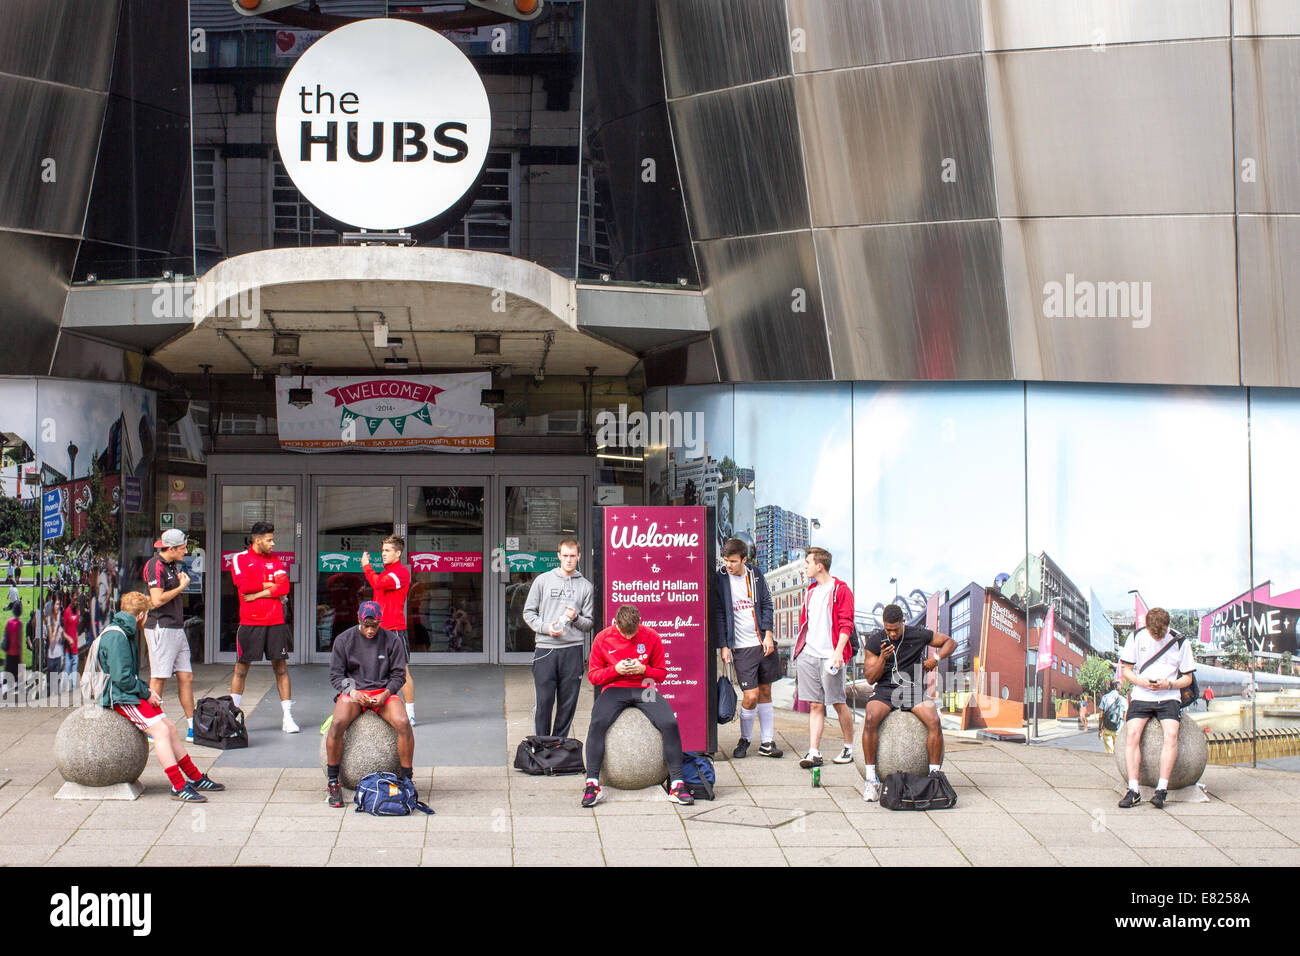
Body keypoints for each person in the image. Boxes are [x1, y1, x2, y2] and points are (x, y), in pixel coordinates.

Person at [95, 591, 225, 802]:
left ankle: (194, 777)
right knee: (161, 731)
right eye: (146, 614)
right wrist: (146, 692)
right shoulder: (118, 636)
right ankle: (178, 785)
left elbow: (125, 677)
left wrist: (146, 692)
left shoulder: (121, 632)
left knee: (170, 728)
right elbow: (122, 679)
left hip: (126, 693)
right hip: (119, 697)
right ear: (140, 615)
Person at [580, 604, 694, 808]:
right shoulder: (603, 638)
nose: (629, 638)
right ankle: (592, 784)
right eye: (625, 634)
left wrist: (644, 669)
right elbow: (594, 676)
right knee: (597, 721)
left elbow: (662, 673)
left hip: (644, 688)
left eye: (632, 634)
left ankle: (677, 784)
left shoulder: (651, 636)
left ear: (639, 624)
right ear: (616, 624)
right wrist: (615, 670)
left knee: (669, 722)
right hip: (615, 688)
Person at [859, 603, 956, 801]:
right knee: (870, 718)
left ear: (903, 622)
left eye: (895, 629)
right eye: (888, 630)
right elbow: (870, 678)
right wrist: (882, 659)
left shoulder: (918, 634)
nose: (892, 634)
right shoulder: (875, 641)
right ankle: (871, 780)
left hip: (911, 689)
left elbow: (950, 643)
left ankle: (935, 777)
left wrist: (935, 658)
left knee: (933, 720)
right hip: (886, 689)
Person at [325, 601, 415, 808]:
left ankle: (407, 778)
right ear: (359, 620)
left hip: (382, 692)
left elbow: (399, 675)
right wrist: (353, 692)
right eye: (367, 625)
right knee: (338, 722)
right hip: (355, 692)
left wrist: (387, 693)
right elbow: (337, 675)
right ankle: (332, 782)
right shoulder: (344, 640)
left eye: (375, 625)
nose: (371, 630)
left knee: (403, 722)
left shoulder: (392, 640)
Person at [1117, 607, 1196, 809]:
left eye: (1161, 632)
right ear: (1148, 626)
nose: (1157, 635)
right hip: (1142, 694)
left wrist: (1168, 684)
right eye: (1154, 632)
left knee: (1171, 735)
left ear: (1167, 626)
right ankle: (1133, 789)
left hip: (1168, 696)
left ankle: (1161, 789)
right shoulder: (1136, 637)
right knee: (1132, 734)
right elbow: (1126, 670)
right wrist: (1141, 682)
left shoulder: (1180, 642)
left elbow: (1188, 678)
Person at [711, 537, 782, 758]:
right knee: (750, 696)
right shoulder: (720, 578)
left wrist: (768, 634)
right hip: (740, 647)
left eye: (732, 561)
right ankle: (745, 739)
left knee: (766, 692)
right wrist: (724, 645)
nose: (728, 565)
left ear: (744, 559)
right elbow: (720, 614)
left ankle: (768, 742)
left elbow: (767, 604)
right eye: (725, 560)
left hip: (762, 643)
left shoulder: (756, 574)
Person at [228, 521, 298, 733]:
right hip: (250, 622)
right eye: (269, 540)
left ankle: (288, 718)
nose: (273, 543)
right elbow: (243, 586)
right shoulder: (240, 558)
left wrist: (258, 592)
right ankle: (232, 718)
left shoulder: (276, 561)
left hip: (276, 621)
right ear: (257, 540)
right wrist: (269, 584)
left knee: (281, 669)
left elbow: (285, 586)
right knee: (241, 669)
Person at [522, 537, 595, 739]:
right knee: (544, 703)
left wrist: (576, 617)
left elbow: (589, 624)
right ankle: (542, 746)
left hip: (573, 650)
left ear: (579, 556)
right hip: (546, 649)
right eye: (565, 556)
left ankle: (559, 746)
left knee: (567, 705)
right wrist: (546, 628)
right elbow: (528, 613)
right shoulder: (543, 580)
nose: (569, 560)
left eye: (573, 556)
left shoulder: (586, 587)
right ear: (558, 556)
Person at [791, 547, 856, 769]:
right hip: (809, 655)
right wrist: (800, 652)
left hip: (830, 657)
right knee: (815, 705)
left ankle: (848, 747)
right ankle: (813, 752)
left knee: (838, 702)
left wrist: (838, 652)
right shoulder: (810, 592)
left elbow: (847, 623)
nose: (805, 566)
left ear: (819, 566)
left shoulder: (841, 590)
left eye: (808, 562)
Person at [144, 529, 196, 742]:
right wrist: (182, 586)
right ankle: (150, 725)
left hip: (176, 627)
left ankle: (193, 726)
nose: (186, 551)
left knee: (186, 676)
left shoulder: (172, 565)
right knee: (159, 678)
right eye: (183, 548)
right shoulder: (154, 566)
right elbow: (156, 600)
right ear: (172, 549)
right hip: (161, 627)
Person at [361, 536, 415, 726]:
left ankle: (410, 713)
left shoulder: (399, 572)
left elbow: (376, 583)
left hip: (396, 630)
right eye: (382, 550)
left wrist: (366, 566)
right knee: (377, 670)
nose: (383, 554)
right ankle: (382, 709)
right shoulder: (387, 572)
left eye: (388, 550)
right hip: (380, 629)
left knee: (402, 672)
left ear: (398, 553)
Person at [1098, 680, 1125, 754]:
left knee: (1109, 752)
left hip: (1107, 727)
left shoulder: (1105, 697)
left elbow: (1101, 715)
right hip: (1119, 728)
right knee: (1118, 751)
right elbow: (1125, 716)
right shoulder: (1123, 699)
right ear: (1118, 688)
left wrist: (1100, 728)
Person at [3, 605, 21, 692]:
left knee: (9, 677)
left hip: (9, 654)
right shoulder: (19, 624)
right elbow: (19, 642)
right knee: (16, 676)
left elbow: (5, 638)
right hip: (16, 654)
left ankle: (7, 698)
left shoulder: (9, 622)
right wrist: (20, 658)